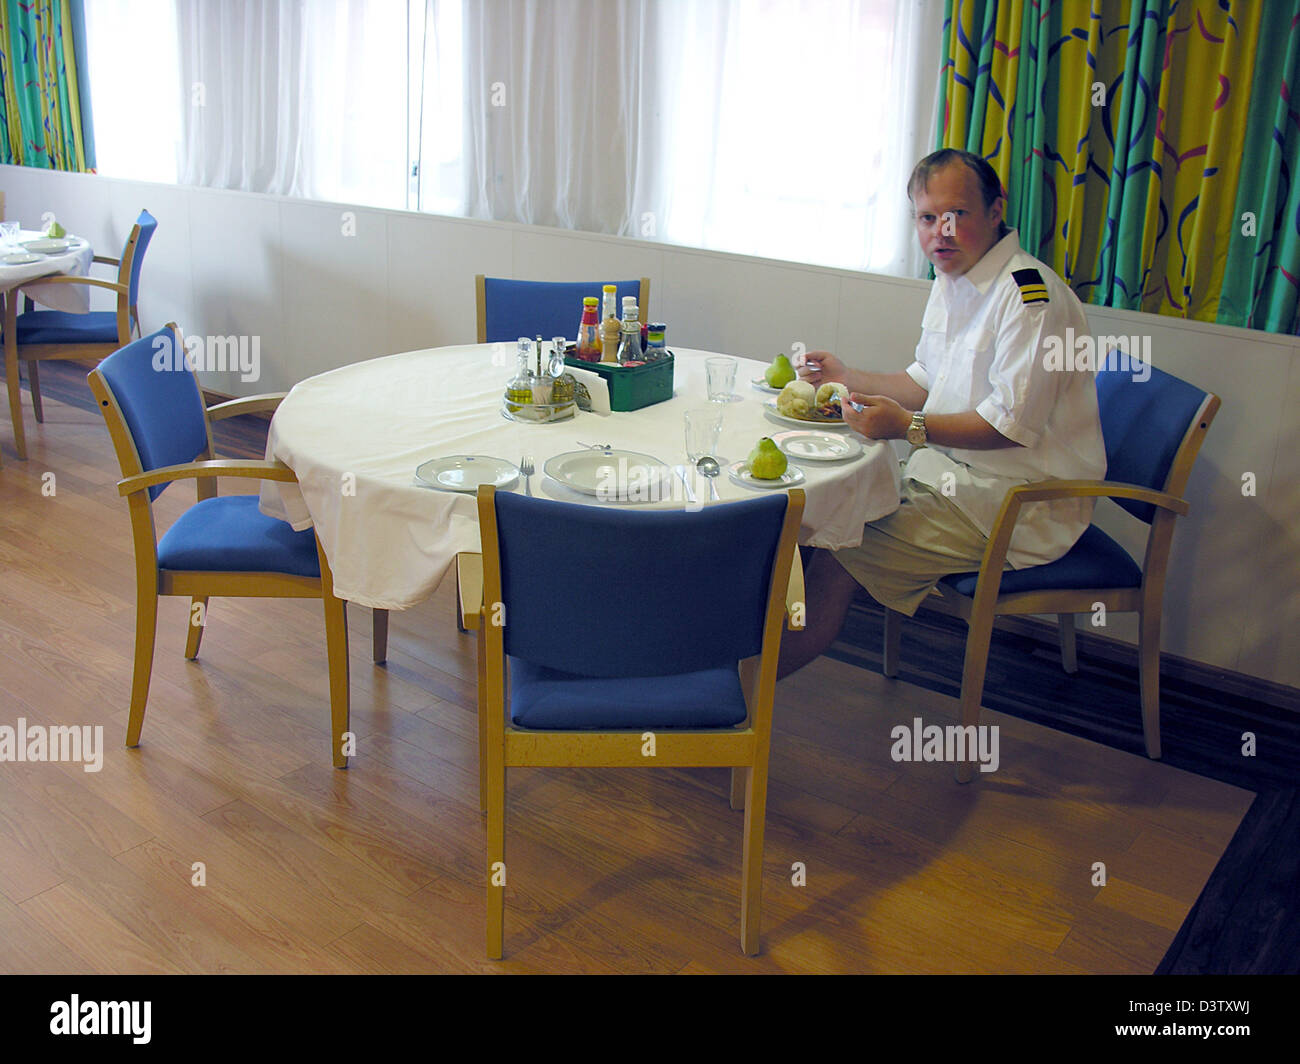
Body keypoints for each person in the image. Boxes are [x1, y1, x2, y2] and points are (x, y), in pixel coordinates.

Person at [778, 148, 1105, 678]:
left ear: (997, 211)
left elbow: (1009, 427)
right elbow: (925, 381)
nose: (942, 233)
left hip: (1018, 502)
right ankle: (738, 677)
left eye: (957, 215)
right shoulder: (955, 279)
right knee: (812, 511)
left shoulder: (1029, 298)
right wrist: (847, 376)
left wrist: (907, 428)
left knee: (833, 544)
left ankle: (744, 704)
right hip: (953, 479)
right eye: (928, 218)